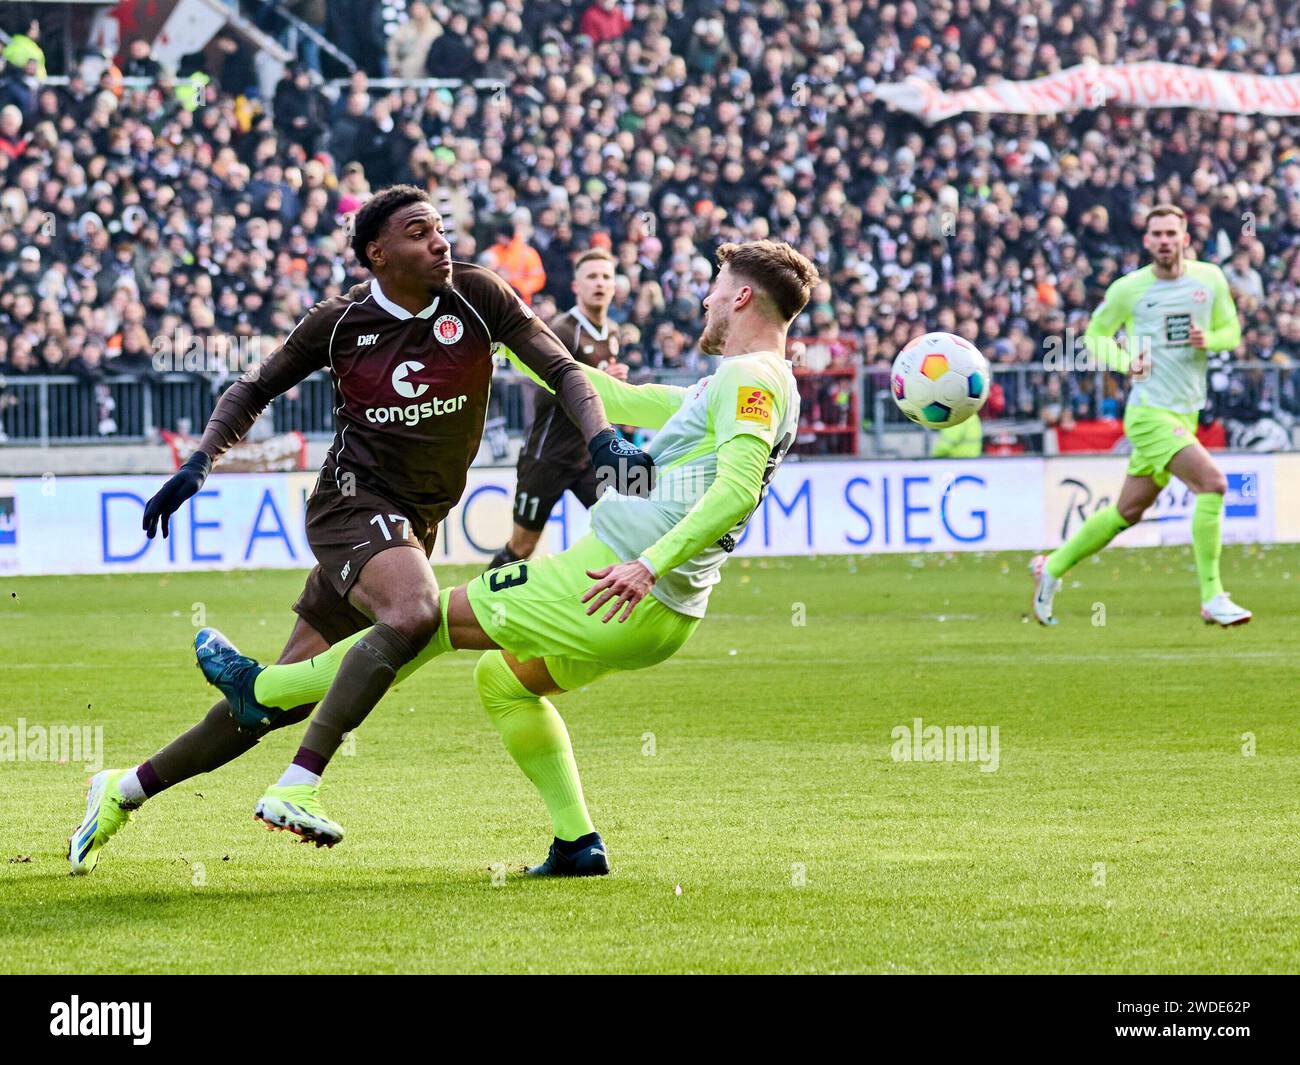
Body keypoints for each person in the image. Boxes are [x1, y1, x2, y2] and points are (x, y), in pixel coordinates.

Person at [81, 239, 817, 875]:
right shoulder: (740, 383)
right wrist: (493, 335)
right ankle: (576, 841)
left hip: (609, 583)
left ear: (743, 294)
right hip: (661, 617)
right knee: (503, 679)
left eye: (717, 290)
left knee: (421, 620)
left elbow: (736, 490)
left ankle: (265, 691)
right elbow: (606, 390)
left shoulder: (749, 380)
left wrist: (646, 563)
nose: (706, 300)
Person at [1031, 205, 1249, 627]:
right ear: (1147, 241)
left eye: (1172, 233)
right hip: (1149, 413)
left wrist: (1212, 339)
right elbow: (1094, 337)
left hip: (1186, 413)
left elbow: (1233, 332)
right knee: (1213, 484)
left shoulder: (1210, 279)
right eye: (1157, 234)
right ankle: (1212, 596)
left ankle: (1052, 567)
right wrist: (1122, 359)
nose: (1165, 240)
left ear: (1185, 238)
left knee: (1127, 512)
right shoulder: (1128, 288)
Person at [487, 247, 627, 569]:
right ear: (576, 285)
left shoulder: (614, 332)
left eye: (606, 276)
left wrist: (618, 395)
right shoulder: (563, 330)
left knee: (627, 525)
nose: (600, 283)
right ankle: (479, 606)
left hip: (589, 456)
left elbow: (603, 396)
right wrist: (602, 383)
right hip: (547, 456)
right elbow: (547, 389)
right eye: (591, 276)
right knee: (521, 547)